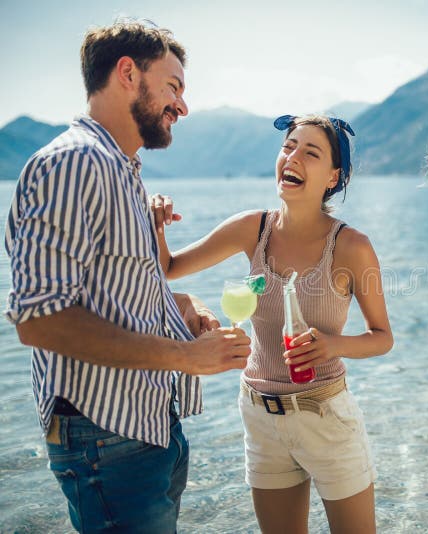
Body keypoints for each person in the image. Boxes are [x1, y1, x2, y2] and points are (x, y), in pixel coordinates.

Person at [4, 20, 252, 532]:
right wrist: (186, 356)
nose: (182, 106)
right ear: (127, 73)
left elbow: (110, 290)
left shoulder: (123, 170)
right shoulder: (75, 163)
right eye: (173, 87)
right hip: (105, 437)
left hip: (144, 428)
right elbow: (40, 321)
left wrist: (178, 305)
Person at [149, 113, 393, 533]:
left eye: (310, 152)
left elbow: (382, 337)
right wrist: (156, 221)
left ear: (333, 177)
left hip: (326, 416)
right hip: (260, 416)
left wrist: (334, 345)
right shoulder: (252, 228)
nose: (292, 156)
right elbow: (167, 267)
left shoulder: (352, 247)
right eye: (288, 147)